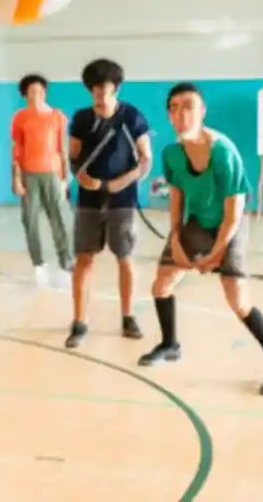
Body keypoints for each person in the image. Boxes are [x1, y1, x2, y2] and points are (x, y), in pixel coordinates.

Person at [139, 82, 263, 394]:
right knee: (162, 283)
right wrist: (178, 240)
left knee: (237, 298)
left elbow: (234, 213)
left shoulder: (222, 152)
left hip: (229, 225)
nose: (181, 113)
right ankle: (170, 345)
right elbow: (177, 196)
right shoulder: (171, 154)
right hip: (197, 221)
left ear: (202, 111)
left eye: (188, 106)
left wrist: (215, 254)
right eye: (174, 107)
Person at [65, 58, 151, 349]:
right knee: (84, 259)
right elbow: (73, 156)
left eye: (106, 90)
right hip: (89, 199)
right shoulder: (81, 119)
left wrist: (125, 180)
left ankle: (128, 317)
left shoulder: (133, 117)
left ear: (117, 88)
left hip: (123, 200)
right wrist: (80, 176)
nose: (101, 96)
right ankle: (79, 321)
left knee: (124, 257)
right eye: (95, 91)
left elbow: (145, 159)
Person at [10, 73, 73, 287]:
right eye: (31, 91)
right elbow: (17, 150)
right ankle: (39, 264)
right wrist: (16, 178)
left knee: (58, 220)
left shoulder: (57, 116)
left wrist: (66, 179)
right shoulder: (20, 118)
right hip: (29, 175)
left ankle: (66, 264)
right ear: (25, 95)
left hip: (53, 174)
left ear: (44, 93)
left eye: (39, 91)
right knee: (29, 220)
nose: (35, 95)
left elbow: (63, 149)